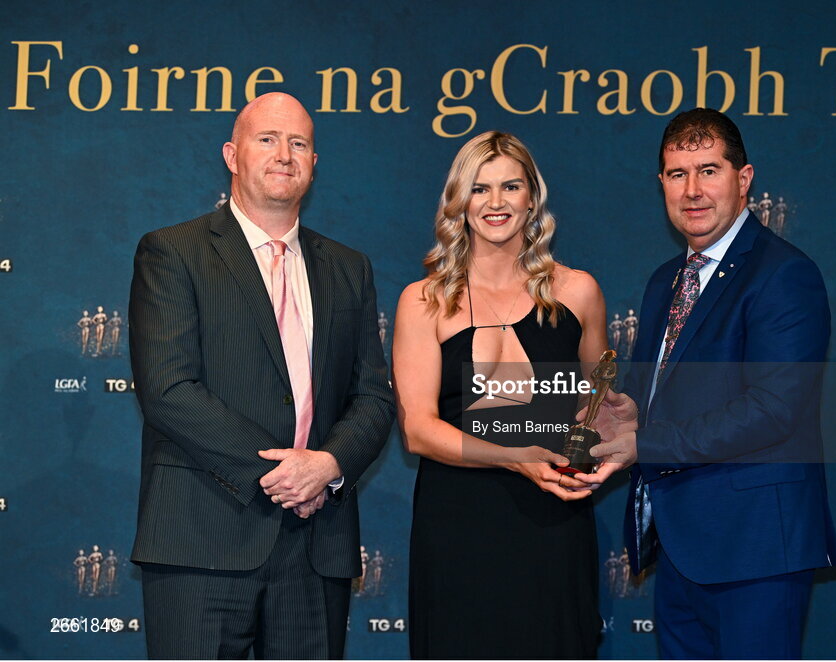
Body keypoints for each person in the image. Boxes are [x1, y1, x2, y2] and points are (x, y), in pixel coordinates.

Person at [129, 92, 394, 659]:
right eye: (267, 139)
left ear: (315, 163)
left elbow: (373, 397)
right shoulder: (172, 251)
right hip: (201, 540)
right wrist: (280, 472)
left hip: (315, 546)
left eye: (299, 143)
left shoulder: (349, 268)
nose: (284, 154)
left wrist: (325, 466)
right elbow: (170, 391)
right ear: (232, 154)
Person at [576, 108, 836, 659]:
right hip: (680, 543)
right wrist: (627, 413)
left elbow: (772, 410)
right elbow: (662, 395)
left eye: (709, 170)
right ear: (661, 185)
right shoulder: (664, 281)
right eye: (677, 174)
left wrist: (641, 444)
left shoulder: (784, 274)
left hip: (757, 549)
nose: (692, 190)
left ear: (744, 180)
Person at [393, 131, 606, 659]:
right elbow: (418, 430)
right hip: (459, 528)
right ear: (459, 202)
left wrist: (595, 448)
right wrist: (516, 459)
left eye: (510, 186)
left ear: (532, 197)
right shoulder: (423, 302)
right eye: (479, 188)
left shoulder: (578, 291)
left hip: (552, 522)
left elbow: (599, 404)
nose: (495, 202)